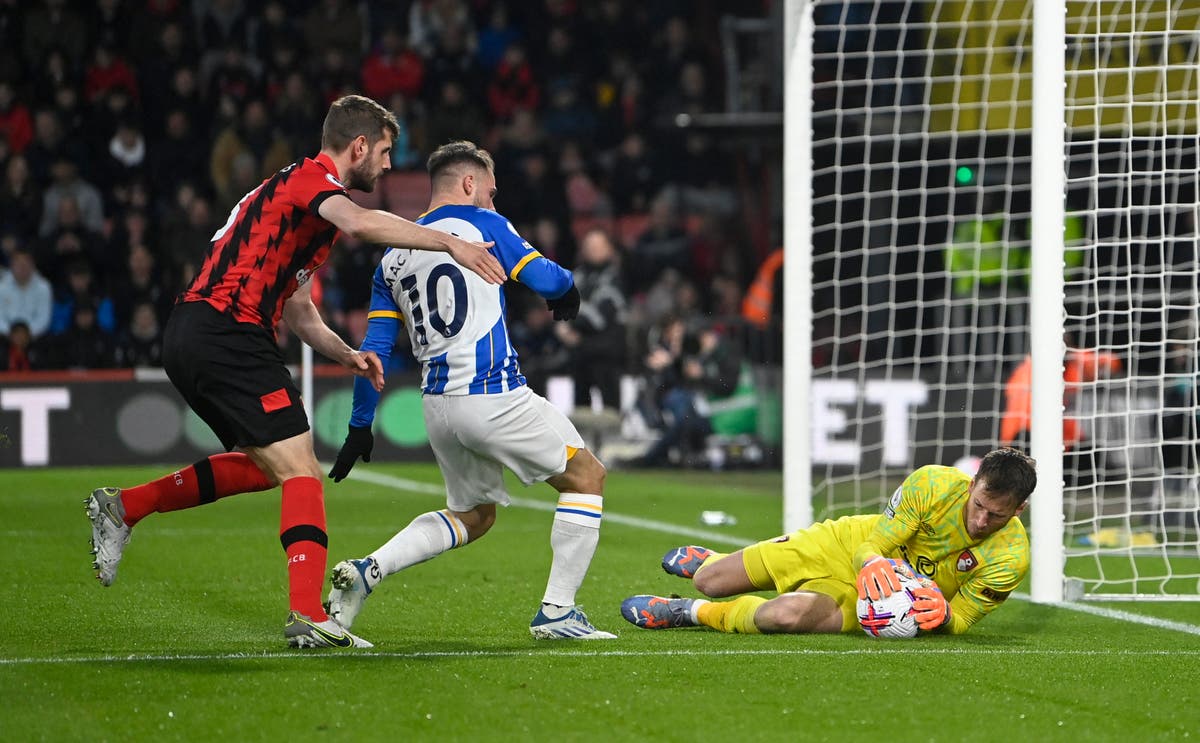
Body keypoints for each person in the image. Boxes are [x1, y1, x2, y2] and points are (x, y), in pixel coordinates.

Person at [85, 95, 506, 650]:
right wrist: (451, 242)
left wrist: (346, 354)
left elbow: (299, 307)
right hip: (225, 329)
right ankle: (309, 614)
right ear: (357, 146)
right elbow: (360, 223)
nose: (386, 166)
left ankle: (125, 507)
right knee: (302, 470)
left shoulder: (302, 209)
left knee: (269, 469)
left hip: (199, 333)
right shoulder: (310, 179)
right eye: (382, 152)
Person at [324, 140, 616, 641]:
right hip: (493, 393)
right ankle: (558, 612)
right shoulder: (483, 225)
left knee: (474, 516)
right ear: (468, 184)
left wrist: (358, 425)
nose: (495, 202)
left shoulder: (392, 257)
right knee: (587, 476)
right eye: (492, 191)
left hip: (438, 407)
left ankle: (366, 572)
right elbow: (547, 279)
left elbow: (373, 352)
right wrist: (568, 289)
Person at [621, 447, 1036, 636]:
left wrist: (943, 617)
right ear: (973, 482)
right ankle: (715, 563)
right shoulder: (932, 484)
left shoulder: (1011, 557)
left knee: (780, 617)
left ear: (1018, 511)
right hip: (843, 544)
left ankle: (690, 612)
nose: (982, 520)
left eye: (996, 515)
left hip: (879, 600)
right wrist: (873, 561)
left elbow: (961, 619)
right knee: (710, 578)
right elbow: (869, 547)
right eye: (978, 504)